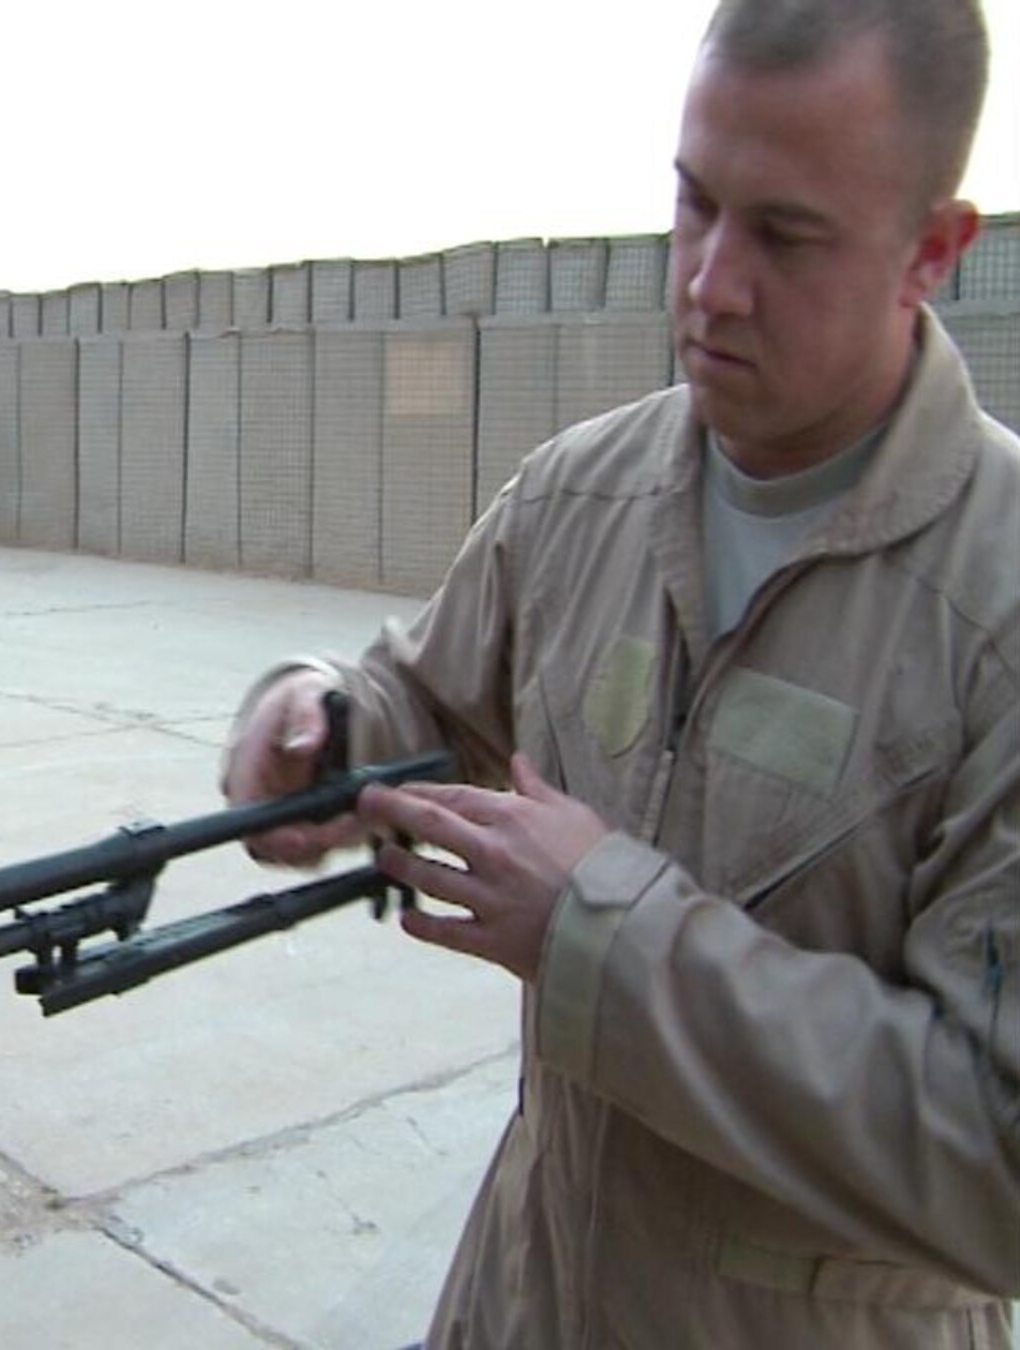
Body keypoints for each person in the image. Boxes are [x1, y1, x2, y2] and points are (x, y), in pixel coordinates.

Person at [220, 1, 1018, 1345]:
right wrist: (315, 725)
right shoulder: (578, 497)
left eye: (786, 235)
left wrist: (602, 934)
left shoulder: (998, 606)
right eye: (696, 205)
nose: (711, 283)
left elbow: (997, 1157)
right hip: (525, 1302)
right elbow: (425, 701)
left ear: (933, 252)